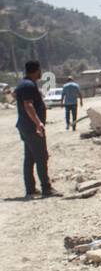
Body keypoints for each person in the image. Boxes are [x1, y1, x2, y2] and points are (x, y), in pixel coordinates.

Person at [14, 60, 56, 198]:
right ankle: (46, 188)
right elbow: (28, 105)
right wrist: (38, 123)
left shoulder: (23, 84)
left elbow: (18, 98)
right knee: (41, 156)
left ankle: (31, 189)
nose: (41, 73)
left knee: (30, 157)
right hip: (31, 127)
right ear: (36, 70)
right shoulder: (28, 85)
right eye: (40, 70)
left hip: (26, 126)